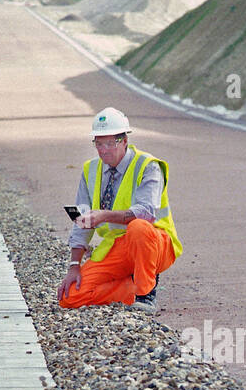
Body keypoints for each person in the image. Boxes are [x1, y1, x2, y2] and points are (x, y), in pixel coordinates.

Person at [57, 107, 182, 311]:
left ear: (124, 141)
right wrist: (74, 266)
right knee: (70, 297)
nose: (104, 150)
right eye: (98, 143)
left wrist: (104, 215)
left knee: (139, 227)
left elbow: (146, 213)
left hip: (154, 244)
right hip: (118, 247)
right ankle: (131, 288)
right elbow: (82, 220)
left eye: (109, 143)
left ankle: (145, 295)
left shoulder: (148, 166)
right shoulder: (90, 170)